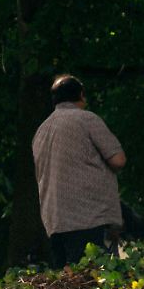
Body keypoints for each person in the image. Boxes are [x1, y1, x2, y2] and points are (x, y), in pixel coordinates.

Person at [32, 74, 126, 268]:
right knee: (97, 283)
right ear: (81, 95)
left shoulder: (41, 131)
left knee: (66, 287)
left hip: (55, 220)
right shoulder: (87, 119)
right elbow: (118, 160)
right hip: (90, 218)